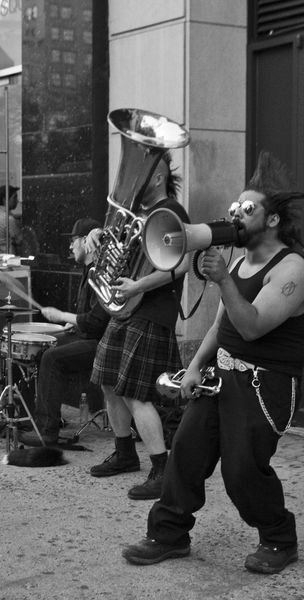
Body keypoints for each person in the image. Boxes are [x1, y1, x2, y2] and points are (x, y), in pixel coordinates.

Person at [123, 153, 304, 574]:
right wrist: (195, 367)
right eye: (233, 208)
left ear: (273, 220)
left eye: (248, 209)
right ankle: (168, 534)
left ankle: (279, 538)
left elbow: (253, 325)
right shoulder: (241, 262)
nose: (235, 214)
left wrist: (223, 280)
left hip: (265, 385)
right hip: (220, 375)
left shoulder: (293, 268)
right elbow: (222, 326)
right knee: (186, 453)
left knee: (242, 471)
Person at [88, 151, 190, 500]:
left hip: (152, 310)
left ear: (158, 179)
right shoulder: (142, 214)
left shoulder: (172, 213)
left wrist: (138, 286)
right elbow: (125, 251)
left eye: (141, 178)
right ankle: (124, 453)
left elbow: (183, 264)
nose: (133, 184)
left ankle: (162, 469)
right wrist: (100, 238)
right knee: (108, 382)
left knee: (135, 392)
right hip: (128, 309)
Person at [33, 217, 109, 443]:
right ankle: (47, 418)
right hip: (89, 336)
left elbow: (97, 322)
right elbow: (89, 316)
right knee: (43, 348)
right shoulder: (88, 270)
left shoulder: (100, 273)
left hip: (102, 344)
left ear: (86, 241)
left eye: (73, 241)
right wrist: (72, 323)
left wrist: (61, 315)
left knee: (51, 358)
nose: (69, 246)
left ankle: (48, 432)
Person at [0, 185, 22, 255]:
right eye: (14, 197)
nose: (17, 201)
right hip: (9, 260)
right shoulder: (9, 219)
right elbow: (20, 240)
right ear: (5, 199)